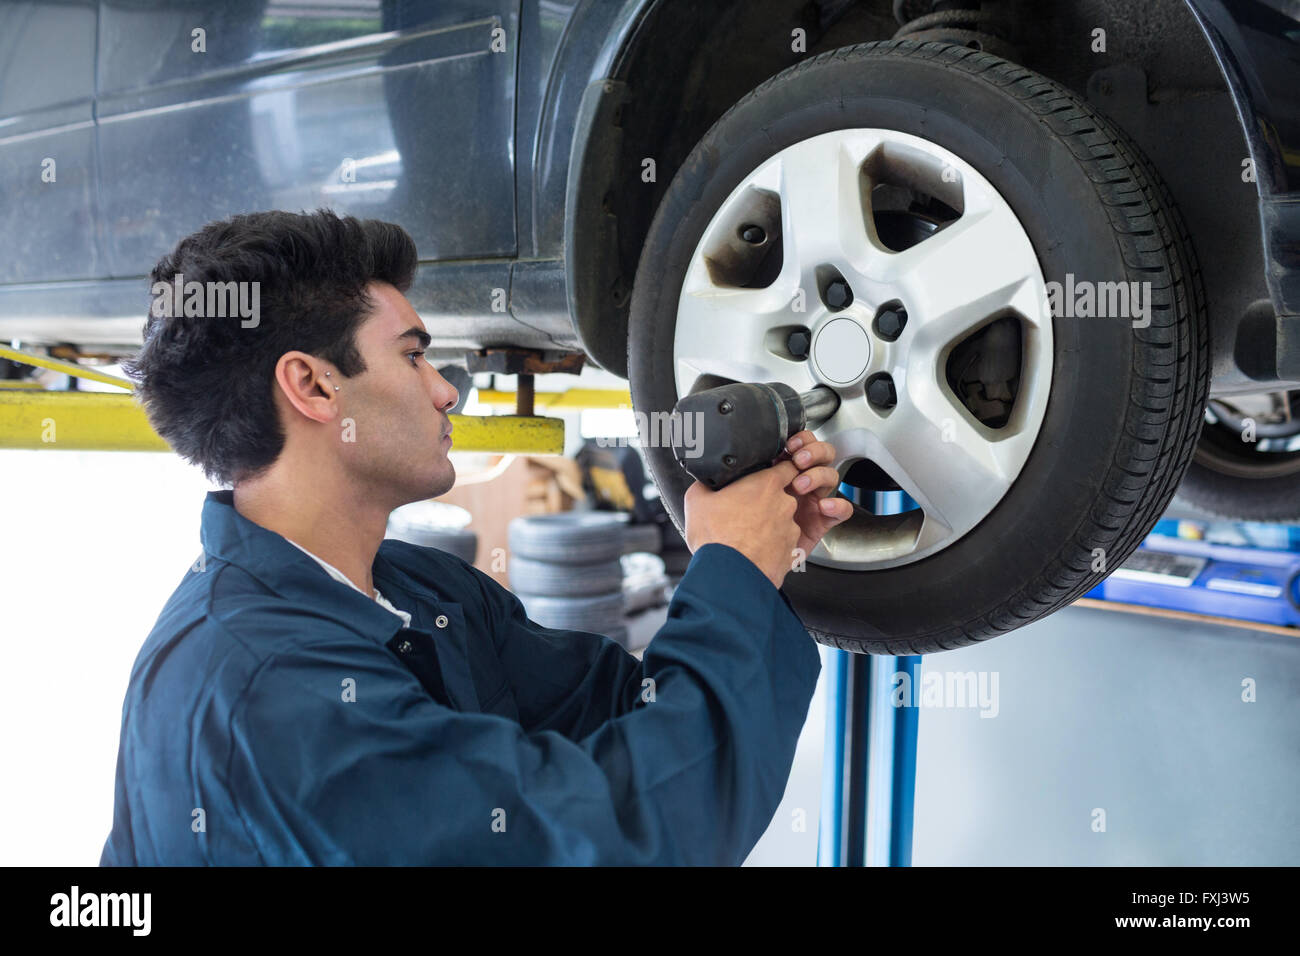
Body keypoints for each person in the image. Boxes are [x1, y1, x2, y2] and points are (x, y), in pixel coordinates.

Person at [99, 209, 853, 865]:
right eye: (414, 353)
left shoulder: (421, 592)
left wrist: (759, 562)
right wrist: (731, 572)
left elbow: (634, 711)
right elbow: (626, 840)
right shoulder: (261, 692)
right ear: (315, 386)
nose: (445, 388)